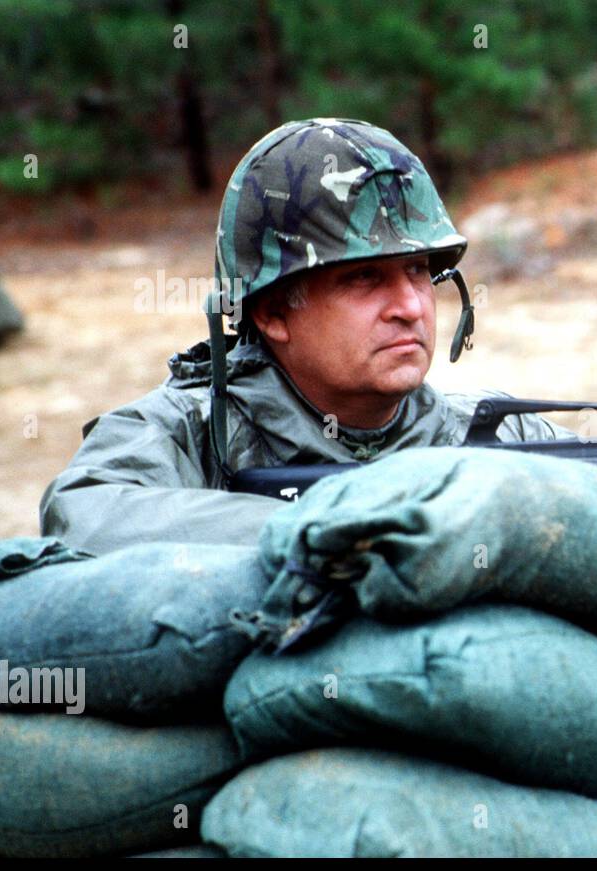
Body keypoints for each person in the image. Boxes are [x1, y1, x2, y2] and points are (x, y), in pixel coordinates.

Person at [40, 118, 566, 555]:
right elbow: (82, 513)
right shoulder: (194, 434)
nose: (410, 308)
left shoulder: (498, 435)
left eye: (417, 271)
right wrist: (334, 526)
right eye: (364, 277)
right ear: (272, 311)